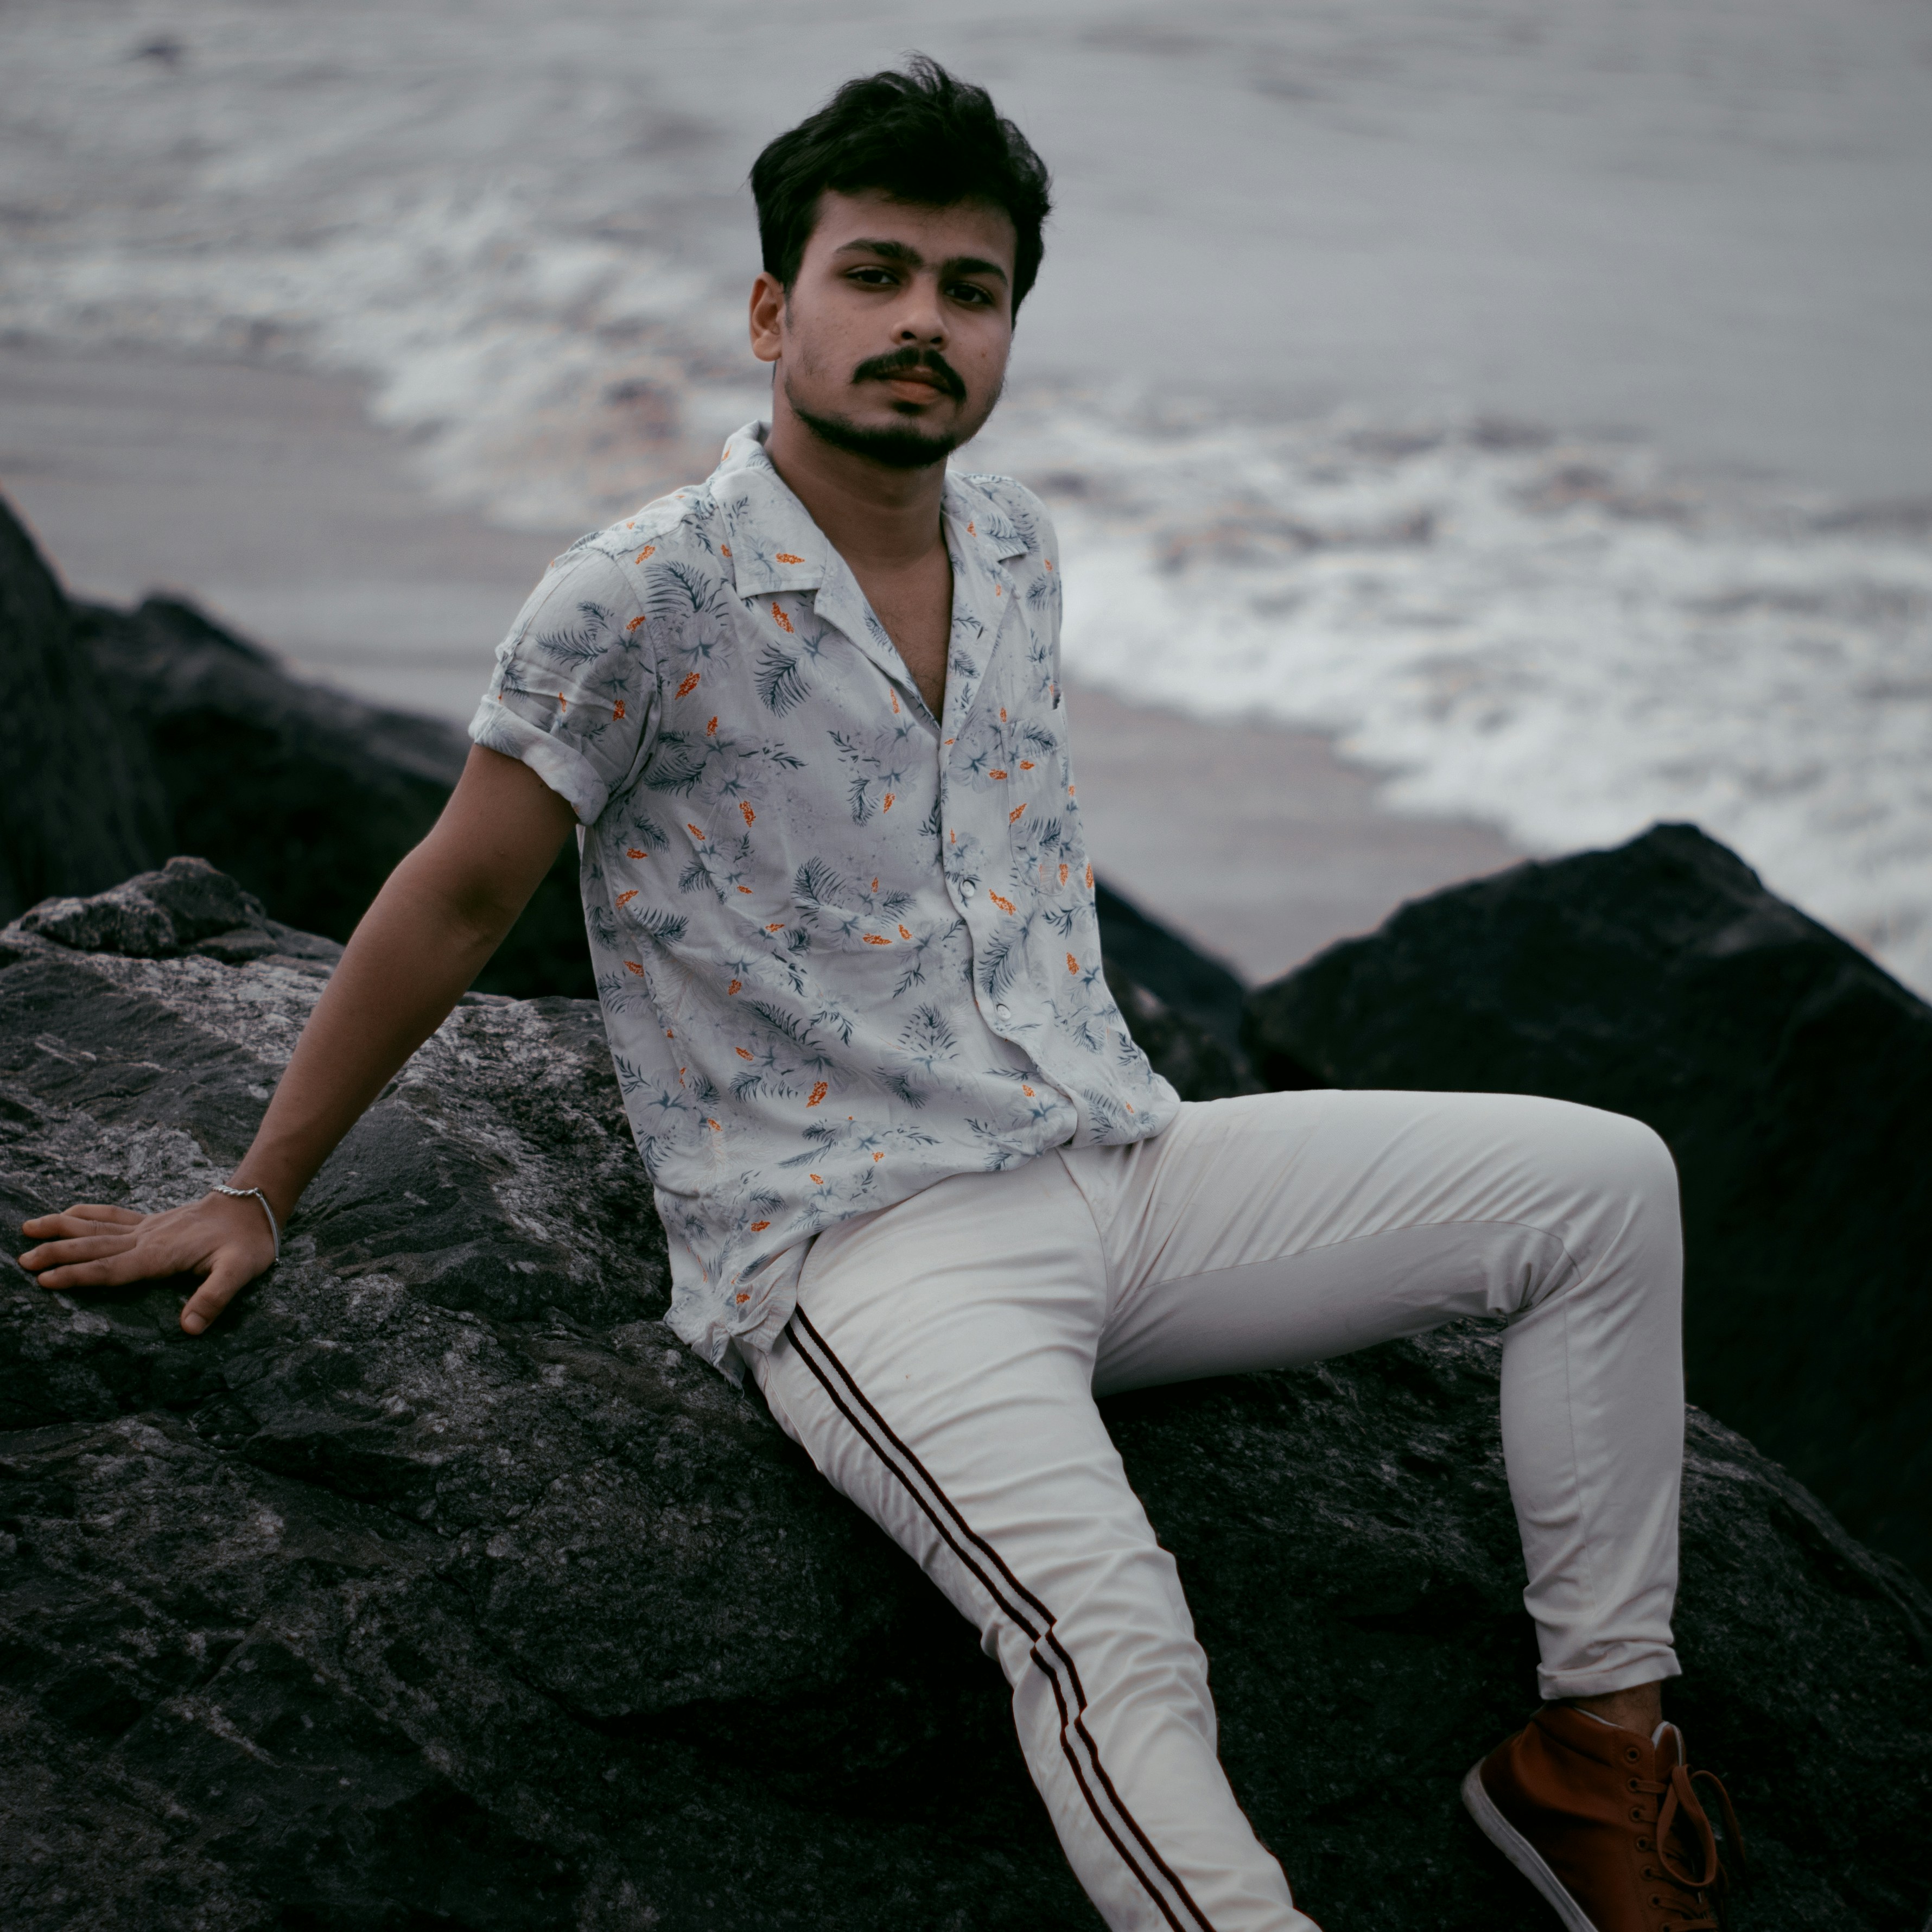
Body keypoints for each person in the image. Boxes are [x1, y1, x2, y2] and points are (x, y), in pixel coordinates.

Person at [19, 58, 1740, 1932]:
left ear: (1007, 331)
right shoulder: (639, 594)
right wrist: (256, 1188)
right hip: (864, 1249)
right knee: (1113, 1635)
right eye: (878, 272)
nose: (924, 321)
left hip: (1126, 1164)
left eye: (972, 289)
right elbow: (458, 892)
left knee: (1604, 1186)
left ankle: (1594, 1754)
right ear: (776, 309)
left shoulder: (1016, 549)